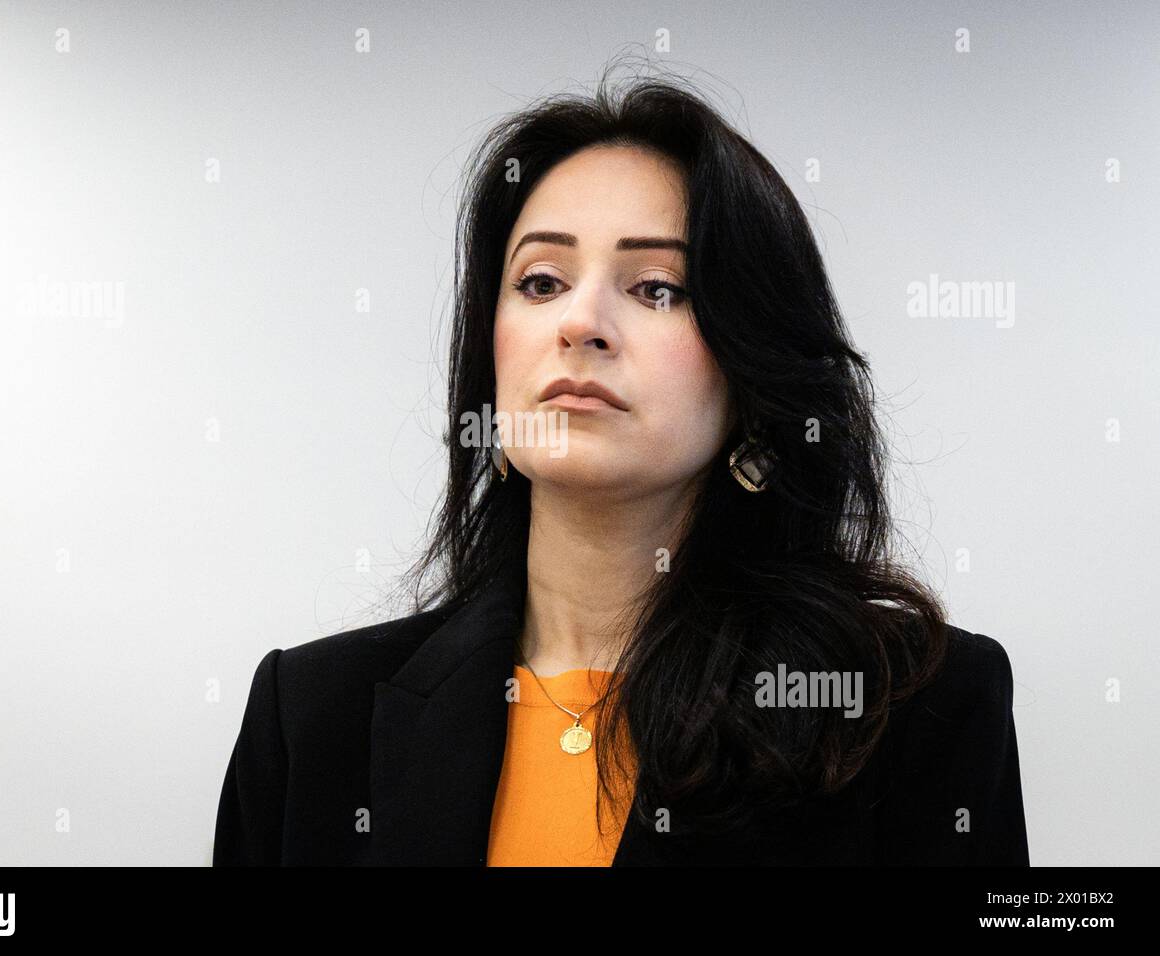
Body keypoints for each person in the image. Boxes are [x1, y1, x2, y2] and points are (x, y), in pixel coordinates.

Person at [212, 64, 1030, 867]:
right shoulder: (311, 716)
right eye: (541, 282)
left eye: (656, 289)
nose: (581, 322)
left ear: (753, 371)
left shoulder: (913, 708)